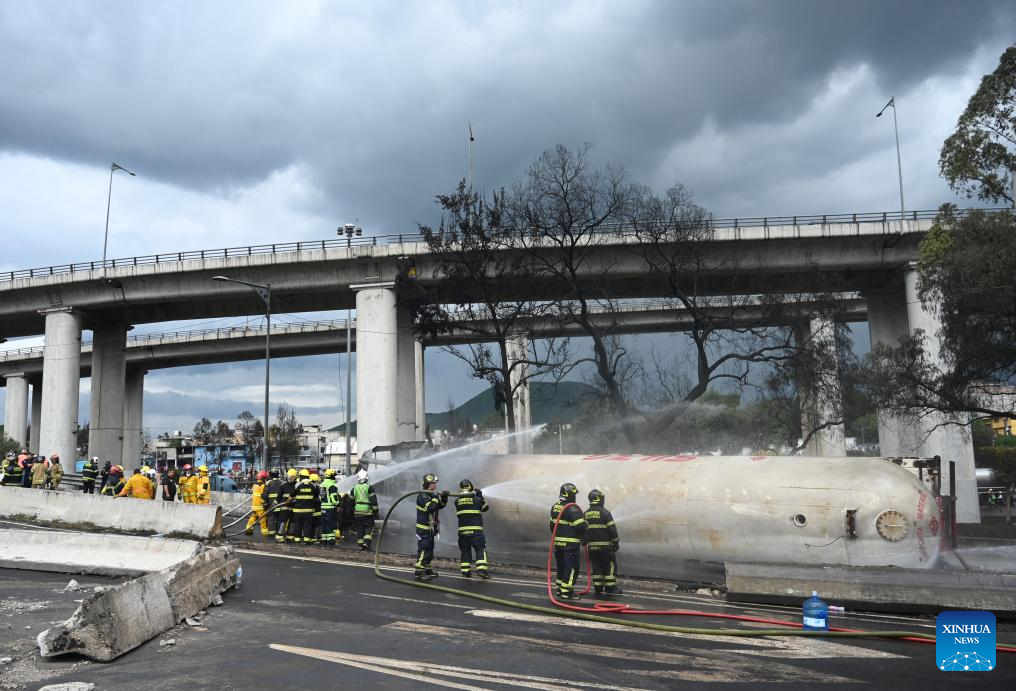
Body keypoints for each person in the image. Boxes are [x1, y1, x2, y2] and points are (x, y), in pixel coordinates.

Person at [550, 483, 586, 600]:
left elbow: (552, 525)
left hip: (558, 544)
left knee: (561, 567)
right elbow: (580, 526)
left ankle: (560, 588)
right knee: (571, 568)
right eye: (574, 494)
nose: (575, 497)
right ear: (569, 494)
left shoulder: (555, 506)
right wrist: (586, 522)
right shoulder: (573, 508)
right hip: (570, 545)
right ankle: (567, 591)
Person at [584, 489, 622, 596]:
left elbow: (583, 530)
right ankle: (610, 588)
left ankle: (598, 587)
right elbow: (612, 529)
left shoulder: (586, 514)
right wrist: (615, 542)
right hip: (605, 548)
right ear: (599, 499)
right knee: (609, 566)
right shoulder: (605, 513)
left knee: (597, 567)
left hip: (592, 548)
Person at [414, 473, 449, 581]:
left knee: (430, 550)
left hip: (429, 529)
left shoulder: (430, 495)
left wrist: (444, 498)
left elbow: (440, 506)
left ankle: (427, 569)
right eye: (433, 483)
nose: (435, 485)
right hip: (423, 529)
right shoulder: (422, 496)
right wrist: (435, 497)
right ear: (428, 484)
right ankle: (418, 571)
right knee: (424, 549)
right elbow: (431, 507)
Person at [455, 478, 490, 579]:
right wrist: (480, 496)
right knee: (480, 550)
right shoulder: (477, 499)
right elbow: (485, 508)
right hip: (476, 532)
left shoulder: (457, 501)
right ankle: (482, 570)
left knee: (465, 551)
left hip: (462, 533)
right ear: (471, 487)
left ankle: (465, 571)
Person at [287, 469, 318, 543]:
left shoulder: (298, 485)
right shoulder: (313, 485)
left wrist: (288, 501)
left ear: (301, 476)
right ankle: (306, 540)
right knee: (307, 525)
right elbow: (316, 496)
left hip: (298, 510)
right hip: (309, 511)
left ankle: (297, 540)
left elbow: (291, 496)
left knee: (298, 525)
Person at [351, 469, 379, 551]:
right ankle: (366, 543)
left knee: (360, 528)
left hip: (357, 512)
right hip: (367, 512)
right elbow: (373, 501)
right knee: (369, 528)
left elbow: (350, 501)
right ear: (366, 478)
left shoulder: (354, 488)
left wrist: (353, 510)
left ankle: (360, 545)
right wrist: (376, 511)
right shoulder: (369, 487)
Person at [275, 468, 298, 543]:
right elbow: (279, 497)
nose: (289, 478)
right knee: (283, 522)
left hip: (293, 507)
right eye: (289, 476)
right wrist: (274, 504)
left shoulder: (297, 485)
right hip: (284, 507)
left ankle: (289, 537)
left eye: (291, 476)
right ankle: (279, 536)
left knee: (292, 522)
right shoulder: (283, 485)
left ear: (295, 477)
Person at [245, 471, 270, 537]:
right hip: (260, 506)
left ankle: (248, 530)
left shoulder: (255, 485)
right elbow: (264, 495)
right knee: (263, 519)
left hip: (254, 506)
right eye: (265, 478)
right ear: (263, 478)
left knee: (253, 518)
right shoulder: (262, 485)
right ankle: (265, 533)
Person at [319, 469, 340, 547]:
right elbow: (334, 498)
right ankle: (330, 540)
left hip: (323, 507)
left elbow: (320, 497)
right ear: (332, 476)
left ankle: (324, 540)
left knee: (324, 524)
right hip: (330, 508)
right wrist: (338, 504)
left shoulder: (322, 485)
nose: (335, 477)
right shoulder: (332, 486)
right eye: (334, 476)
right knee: (330, 524)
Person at [263, 470, 283, 538]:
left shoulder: (268, 483)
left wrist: (265, 503)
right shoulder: (282, 483)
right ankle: (279, 532)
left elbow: (265, 495)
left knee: (271, 518)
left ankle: (271, 533)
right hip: (280, 504)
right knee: (279, 519)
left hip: (271, 504)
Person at [310, 473, 323, 544]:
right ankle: (316, 537)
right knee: (318, 524)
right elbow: (320, 498)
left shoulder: (308, 486)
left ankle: (311, 537)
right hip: (317, 509)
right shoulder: (317, 487)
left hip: (309, 509)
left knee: (311, 524)